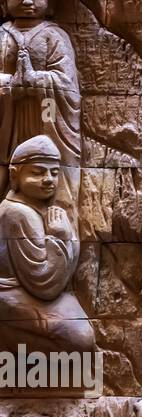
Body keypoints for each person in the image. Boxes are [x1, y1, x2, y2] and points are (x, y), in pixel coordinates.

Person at [0, 134, 93, 354]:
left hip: (37, 291)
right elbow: (45, 285)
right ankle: (8, 341)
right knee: (81, 339)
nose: (49, 179)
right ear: (15, 175)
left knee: (82, 332)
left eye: (54, 172)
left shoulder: (34, 207)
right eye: (37, 172)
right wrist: (60, 237)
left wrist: (61, 234)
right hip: (12, 294)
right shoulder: (18, 214)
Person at [0, 0, 81, 211]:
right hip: (7, 119)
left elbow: (67, 82)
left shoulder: (54, 35)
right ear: (3, 2)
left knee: (47, 165)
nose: (27, 2)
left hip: (47, 115)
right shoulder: (1, 35)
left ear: (49, 1)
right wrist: (11, 84)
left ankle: (54, 221)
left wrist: (35, 79)